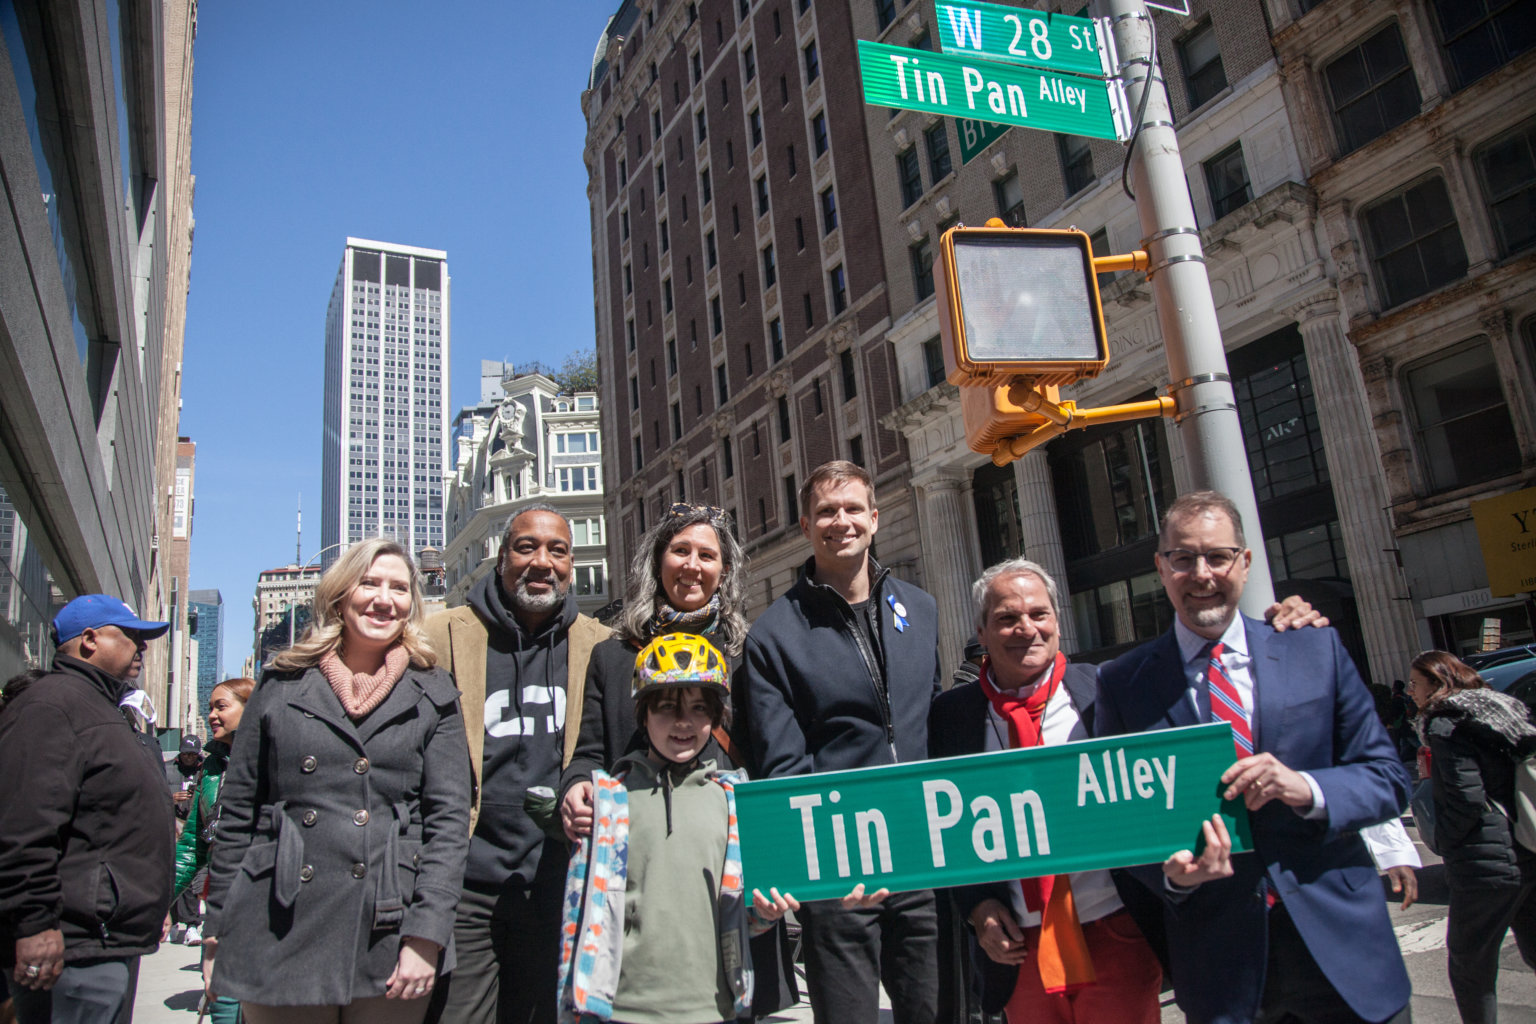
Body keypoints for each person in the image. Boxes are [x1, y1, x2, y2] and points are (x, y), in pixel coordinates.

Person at [1095, 491, 1412, 1024]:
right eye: (1183, 558)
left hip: (1345, 953)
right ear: (1161, 568)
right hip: (1222, 969)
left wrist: (1306, 788)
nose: (1202, 574)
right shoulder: (1123, 682)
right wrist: (1173, 876)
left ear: (1244, 562)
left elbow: (1387, 778)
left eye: (1218, 556)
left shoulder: (1314, 649)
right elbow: (1118, 822)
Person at [202, 539, 472, 1023]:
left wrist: (427, 935)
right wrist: (217, 928)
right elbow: (240, 811)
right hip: (278, 918)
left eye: (399, 588)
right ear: (340, 594)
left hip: (391, 925)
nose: (384, 599)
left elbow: (448, 823)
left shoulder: (434, 689)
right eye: (369, 583)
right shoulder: (280, 682)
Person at [740, 460, 941, 1024]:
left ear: (874, 518)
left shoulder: (920, 608)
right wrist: (828, 864)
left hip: (923, 855)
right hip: (839, 871)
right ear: (806, 526)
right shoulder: (772, 636)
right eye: (826, 512)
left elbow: (931, 722)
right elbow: (783, 768)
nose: (841, 522)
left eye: (853, 509)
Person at [422, 505, 611, 1024]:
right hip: (464, 887)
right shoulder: (440, 637)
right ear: (502, 557)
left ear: (570, 564)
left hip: (558, 883)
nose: (542, 562)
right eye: (527, 547)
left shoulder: (601, 645)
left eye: (558, 550)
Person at [557, 633, 799, 1023]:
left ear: (716, 719)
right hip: (621, 1008)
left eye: (699, 708)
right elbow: (581, 913)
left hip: (712, 1008)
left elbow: (739, 915)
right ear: (643, 716)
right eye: (666, 707)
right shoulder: (609, 803)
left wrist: (766, 912)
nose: (683, 721)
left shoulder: (732, 805)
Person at [0, 594, 174, 1024]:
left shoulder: (101, 708)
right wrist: (35, 925)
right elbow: (24, 827)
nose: (142, 646)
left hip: (106, 942)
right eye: (131, 635)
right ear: (90, 639)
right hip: (71, 946)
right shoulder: (51, 706)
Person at [559, 502, 751, 836]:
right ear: (657, 562)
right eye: (680, 551)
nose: (692, 565)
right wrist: (576, 785)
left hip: (728, 839)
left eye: (707, 555)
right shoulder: (612, 657)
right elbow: (588, 755)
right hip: (636, 838)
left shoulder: (746, 656)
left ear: (724, 572)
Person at [1411, 649, 1536, 1023]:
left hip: (1485, 861)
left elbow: (1466, 797)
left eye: (1416, 684)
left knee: (1470, 967)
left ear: (1437, 683)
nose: (1411, 692)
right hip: (1527, 846)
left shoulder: (1446, 724)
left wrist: (1446, 841)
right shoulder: (1503, 711)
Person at [165, 678, 254, 1022]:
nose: (212, 715)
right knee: (223, 1003)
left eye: (221, 707)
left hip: (265, 905)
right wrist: (159, 903)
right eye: (210, 708)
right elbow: (192, 846)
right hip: (222, 905)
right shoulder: (211, 767)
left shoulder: (276, 759)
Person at [168, 734, 204, 821]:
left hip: (198, 821)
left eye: (193, 754)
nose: (189, 758)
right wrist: (170, 800)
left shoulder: (207, 769)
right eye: (185, 754)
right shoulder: (166, 769)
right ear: (180, 752)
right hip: (173, 820)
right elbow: (154, 799)